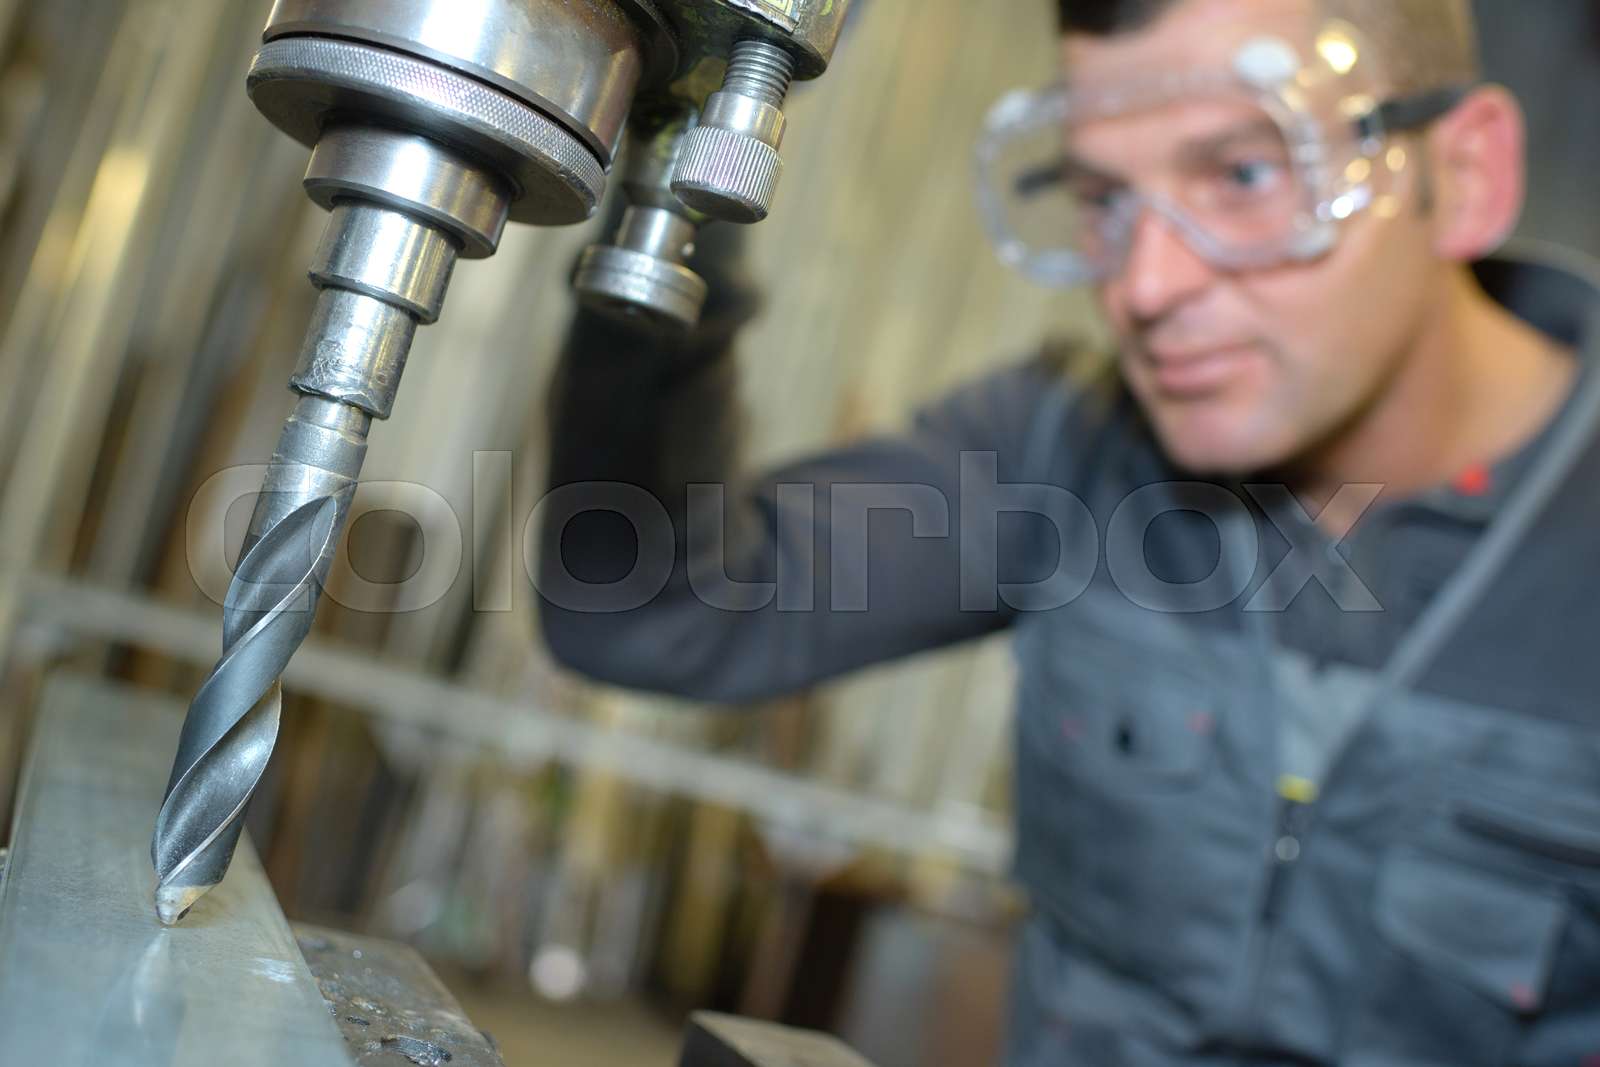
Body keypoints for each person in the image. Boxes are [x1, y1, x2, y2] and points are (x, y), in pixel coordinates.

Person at [538, 0, 1600, 1061]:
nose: (1143, 286)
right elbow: (645, 611)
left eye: (1241, 176)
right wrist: (675, 171)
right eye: (1102, 199)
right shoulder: (1074, 455)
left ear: (1461, 175)